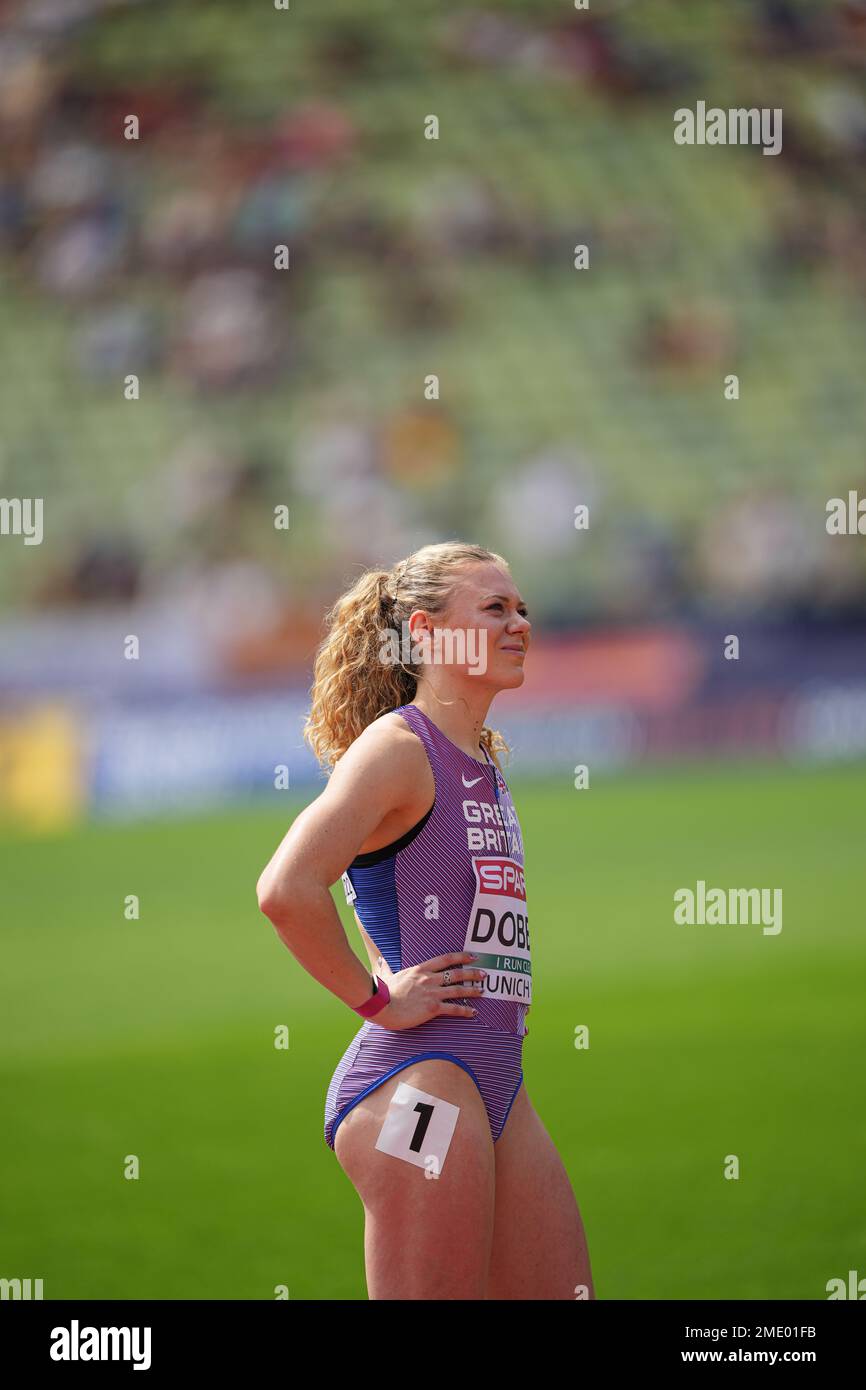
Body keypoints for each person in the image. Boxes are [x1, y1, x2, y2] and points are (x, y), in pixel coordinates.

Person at [256, 540, 594, 1300]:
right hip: (418, 1091)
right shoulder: (398, 749)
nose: (520, 624)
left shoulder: (483, 759)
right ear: (429, 631)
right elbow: (285, 889)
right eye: (495, 608)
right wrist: (378, 1001)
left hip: (500, 1085)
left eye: (523, 608)